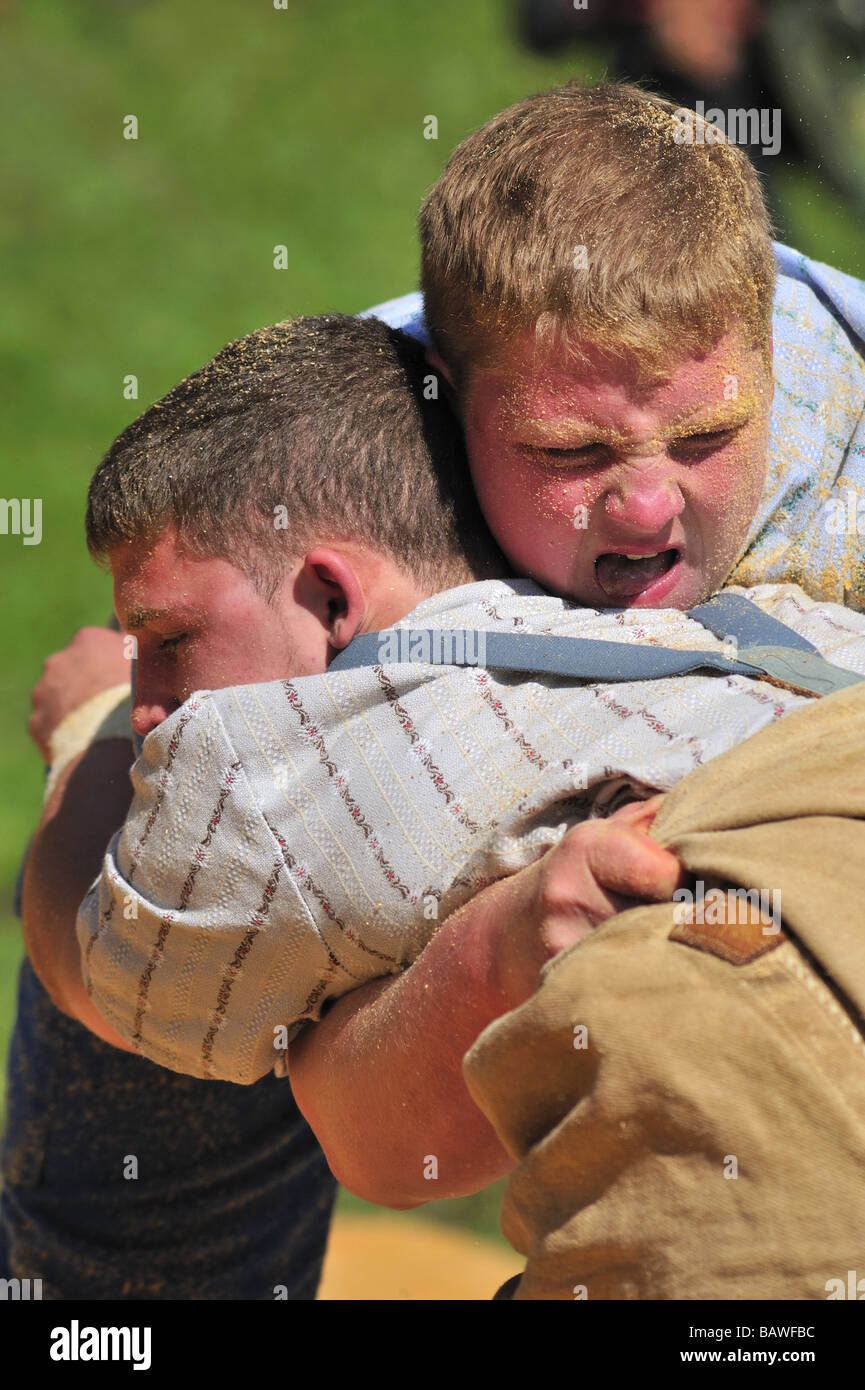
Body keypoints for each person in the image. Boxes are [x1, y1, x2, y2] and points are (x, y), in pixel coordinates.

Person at [55, 316, 864, 1096]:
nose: (147, 709)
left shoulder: (249, 770)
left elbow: (117, 993)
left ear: (334, 599)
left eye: (168, 642)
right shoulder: (781, 615)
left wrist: (80, 734)